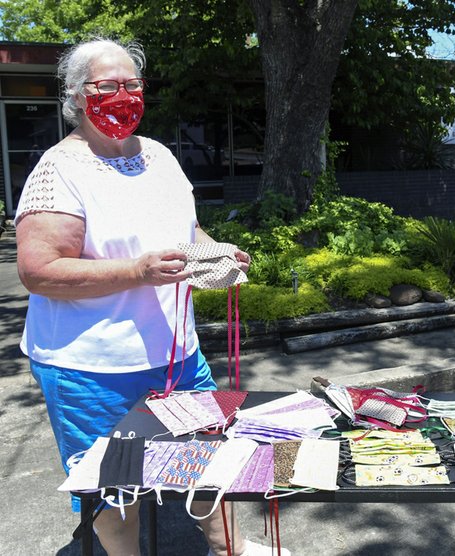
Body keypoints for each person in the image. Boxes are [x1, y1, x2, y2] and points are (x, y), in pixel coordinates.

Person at [15, 38, 271, 556]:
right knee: (115, 485)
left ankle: (232, 549)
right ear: (76, 94)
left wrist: (215, 255)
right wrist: (137, 271)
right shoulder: (58, 170)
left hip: (178, 353)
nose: (123, 94)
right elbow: (39, 272)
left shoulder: (159, 156)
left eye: (132, 83)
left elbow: (186, 232)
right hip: (91, 367)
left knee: (208, 456)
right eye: (106, 85)